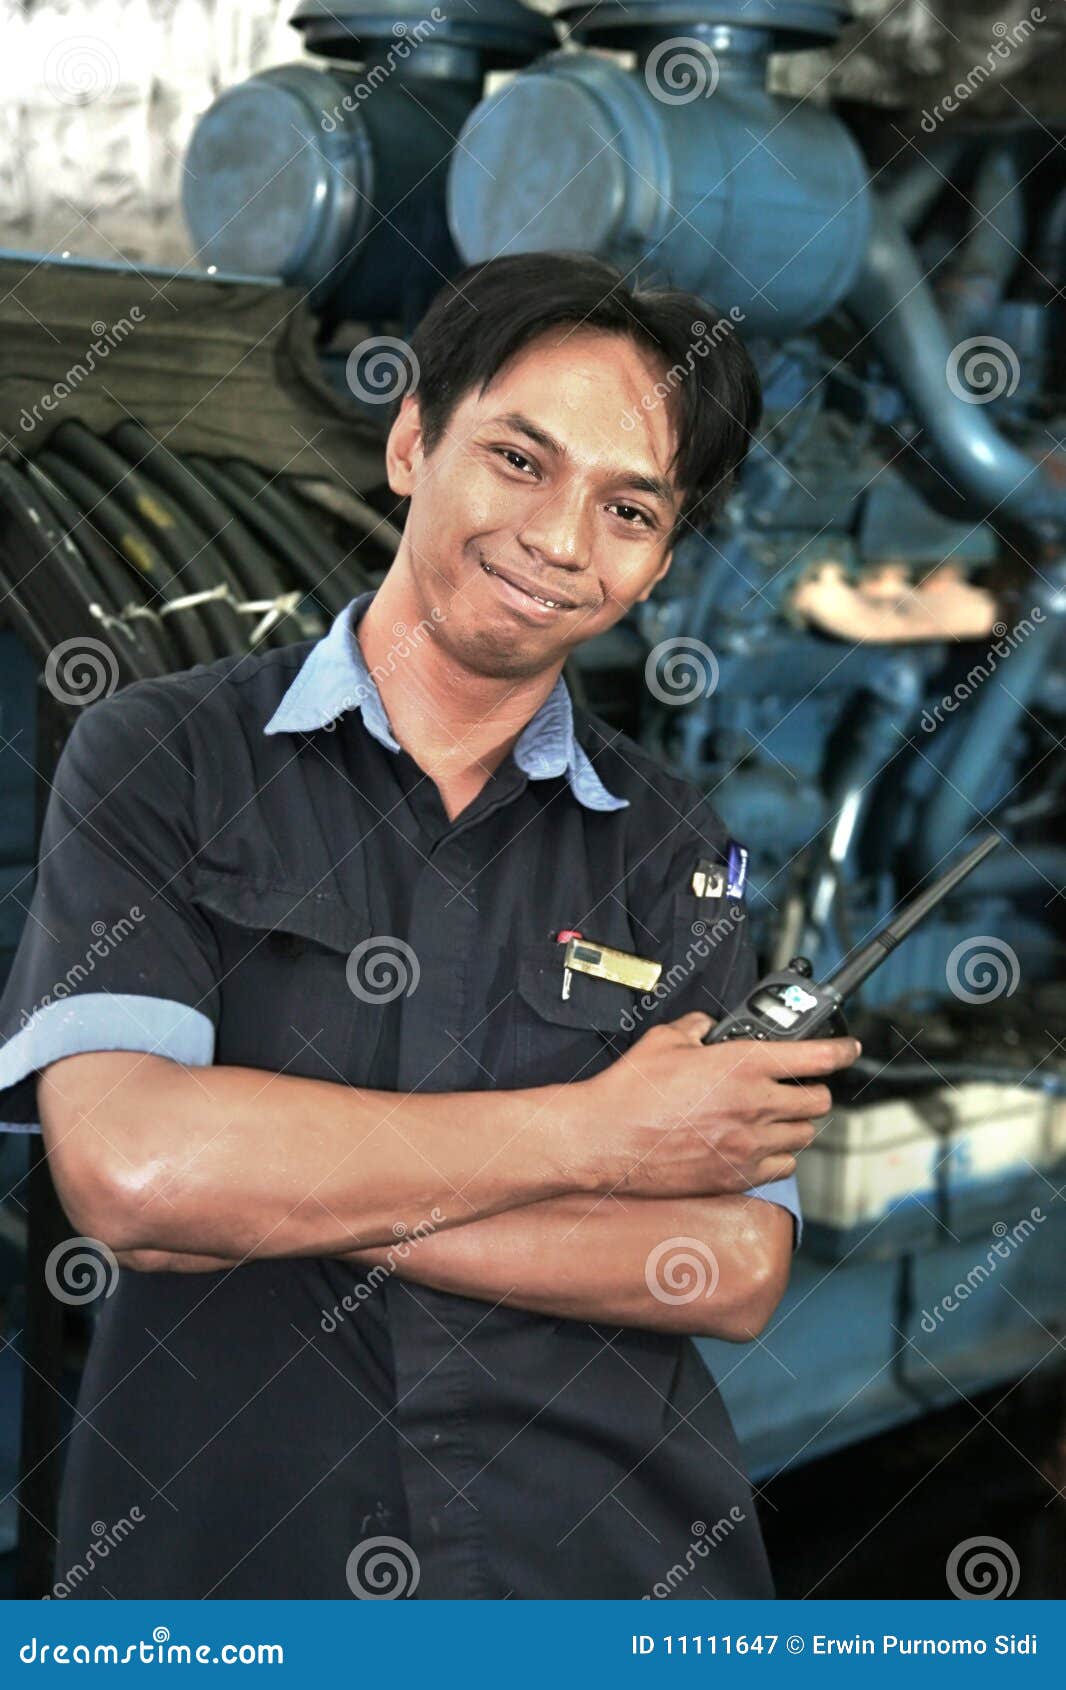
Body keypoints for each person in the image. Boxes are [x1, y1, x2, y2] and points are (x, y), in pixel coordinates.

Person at [0, 251, 860, 1600]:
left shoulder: (667, 840)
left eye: (627, 506)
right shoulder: (163, 754)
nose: (561, 541)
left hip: (600, 1575)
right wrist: (596, 1136)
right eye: (518, 460)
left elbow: (729, 1263)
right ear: (410, 440)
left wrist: (279, 1193)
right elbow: (131, 1175)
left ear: (661, 556)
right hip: (232, 1577)